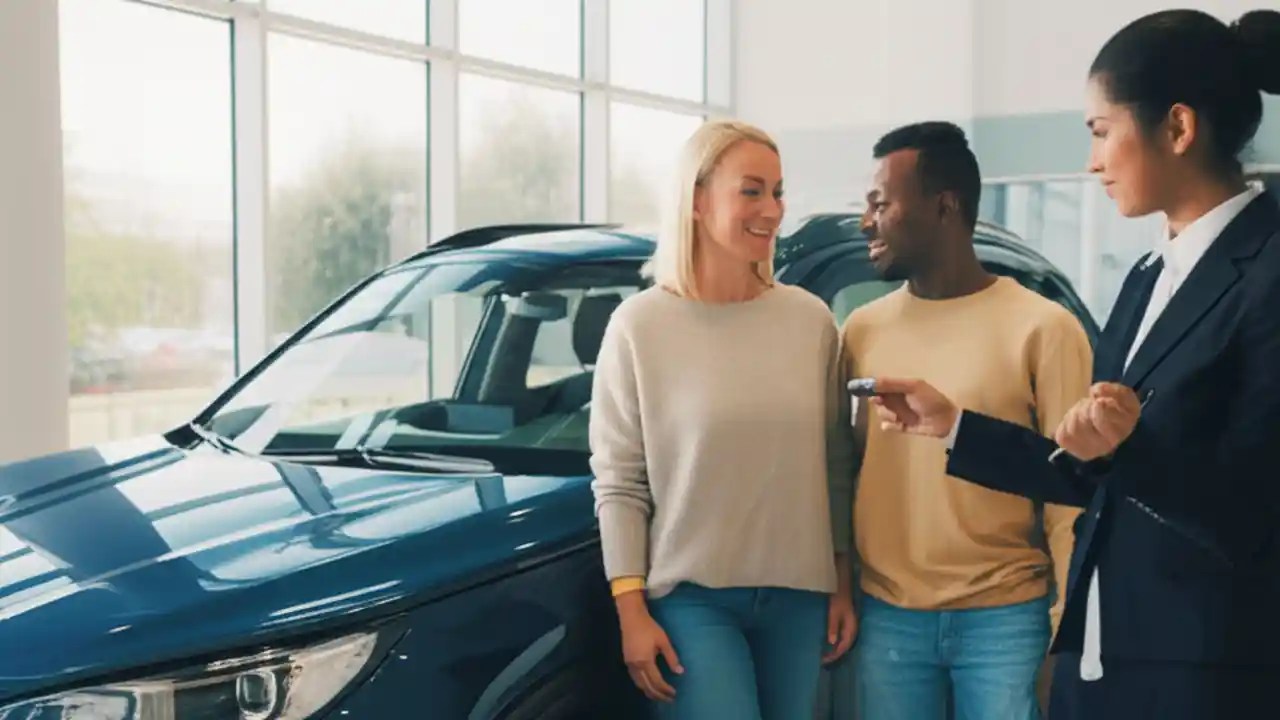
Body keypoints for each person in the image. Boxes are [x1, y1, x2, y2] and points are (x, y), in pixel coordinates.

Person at [865, 9, 1280, 719]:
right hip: (1107, 652)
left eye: (1101, 132)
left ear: (1178, 129)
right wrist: (956, 426)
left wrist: (1127, 449)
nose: (1092, 162)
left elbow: (1255, 510)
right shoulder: (1150, 275)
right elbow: (1089, 471)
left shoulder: (1267, 270)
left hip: (1210, 669)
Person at [588, 118, 858, 719]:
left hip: (801, 598)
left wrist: (842, 582)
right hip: (692, 602)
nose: (772, 209)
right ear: (697, 200)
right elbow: (619, 481)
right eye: (752, 190)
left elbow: (835, 464)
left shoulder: (810, 321)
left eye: (779, 191)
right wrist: (631, 611)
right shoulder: (640, 326)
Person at [839, 121, 1090, 720]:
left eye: (881, 203)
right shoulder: (862, 330)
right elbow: (842, 469)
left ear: (944, 205)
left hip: (1008, 621)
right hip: (888, 619)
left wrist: (1068, 631)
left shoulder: (1043, 328)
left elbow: (1072, 495)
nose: (866, 221)